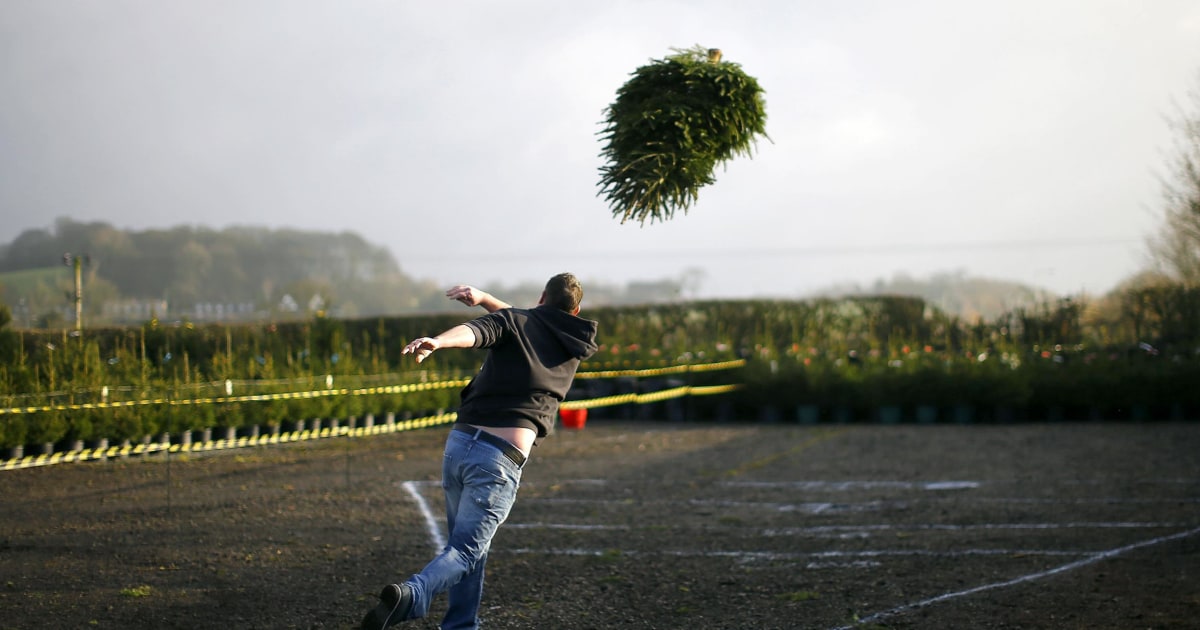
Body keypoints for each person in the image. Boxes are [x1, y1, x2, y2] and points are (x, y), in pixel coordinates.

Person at [361, 273, 599, 630]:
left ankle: (460, 625)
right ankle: (414, 594)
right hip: (498, 460)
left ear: (541, 297)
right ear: (576, 311)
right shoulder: (574, 343)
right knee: (466, 551)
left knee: (466, 548)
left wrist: (439, 341)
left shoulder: (518, 321)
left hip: (459, 446)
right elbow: (513, 320)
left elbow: (480, 330)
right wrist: (485, 300)